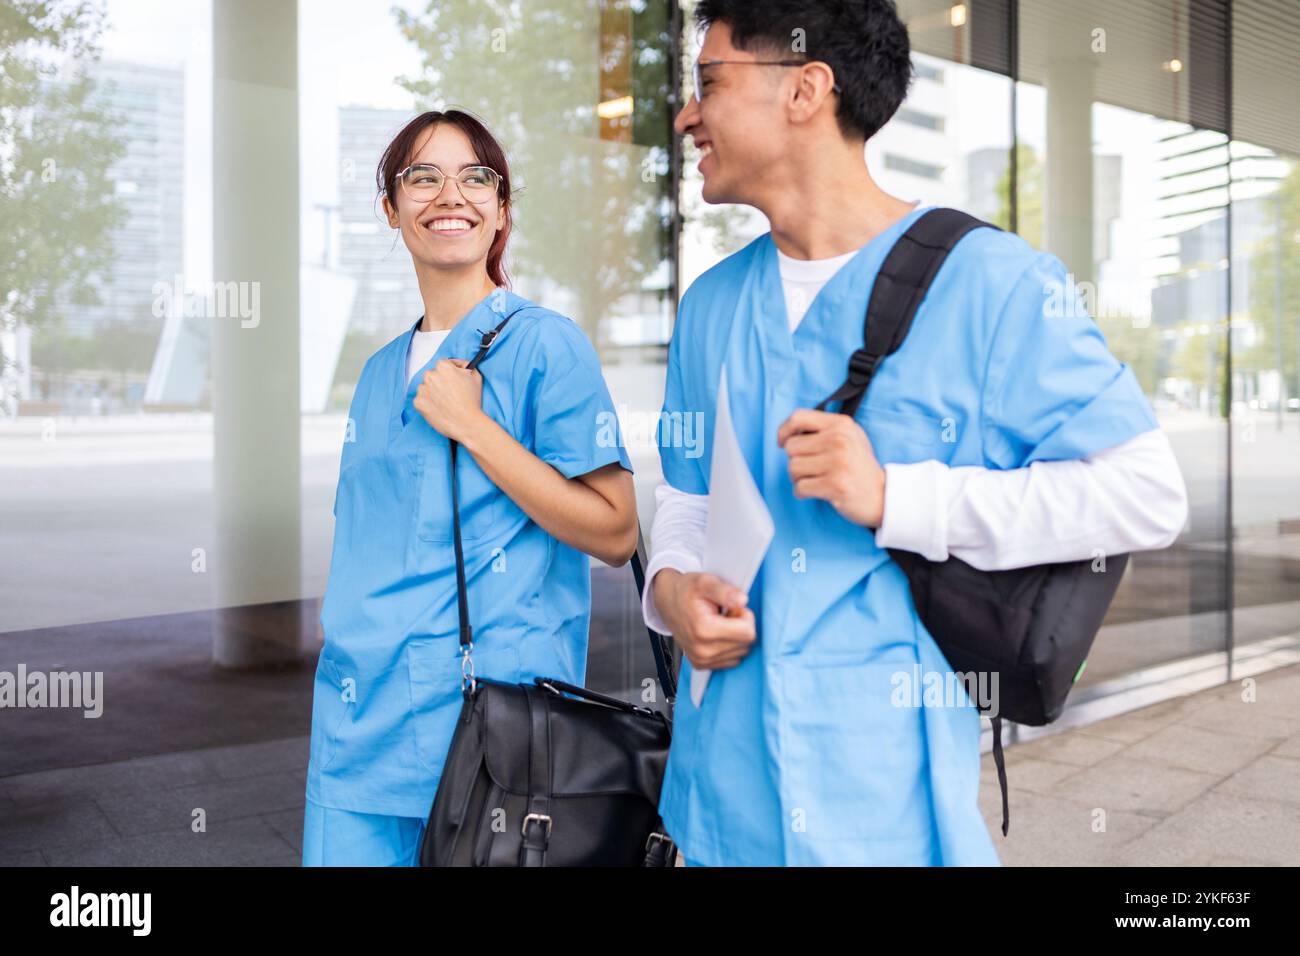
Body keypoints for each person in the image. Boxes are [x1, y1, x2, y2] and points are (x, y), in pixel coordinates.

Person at [643, 0, 1189, 866]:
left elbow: (1145, 494)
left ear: (805, 90)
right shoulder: (711, 303)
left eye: (709, 83)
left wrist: (901, 498)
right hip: (720, 802)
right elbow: (685, 493)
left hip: (888, 803)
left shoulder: (996, 286)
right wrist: (671, 591)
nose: (688, 115)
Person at [303, 109, 637, 866]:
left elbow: (616, 531)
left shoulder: (545, 345)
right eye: (422, 176)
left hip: (491, 733)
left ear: (502, 211)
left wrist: (477, 429)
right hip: (358, 724)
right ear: (391, 209)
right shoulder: (378, 372)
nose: (449, 194)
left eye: (475, 177)